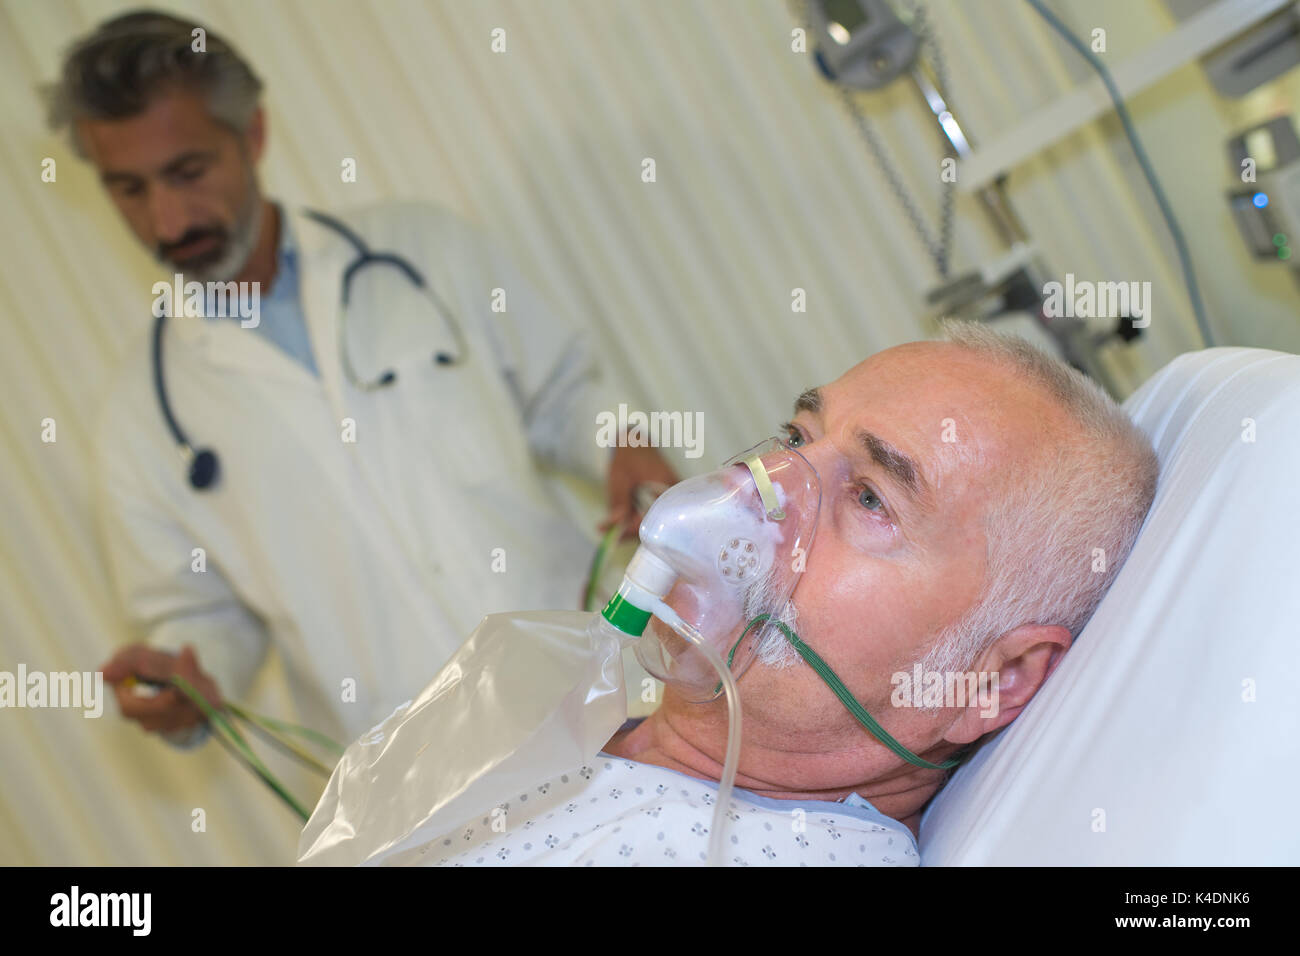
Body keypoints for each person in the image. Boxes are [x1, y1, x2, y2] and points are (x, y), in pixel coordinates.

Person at [302, 320, 1160, 866]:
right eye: (796, 436)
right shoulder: (583, 725)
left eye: (869, 498)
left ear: (991, 682)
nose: (754, 489)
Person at [45, 11, 677, 747]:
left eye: (188, 172)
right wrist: (185, 682)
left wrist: (623, 443)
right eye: (129, 189)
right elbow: (199, 620)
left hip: (600, 694)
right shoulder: (139, 421)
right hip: (414, 780)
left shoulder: (423, 250)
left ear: (251, 136)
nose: (168, 219)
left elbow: (566, 396)